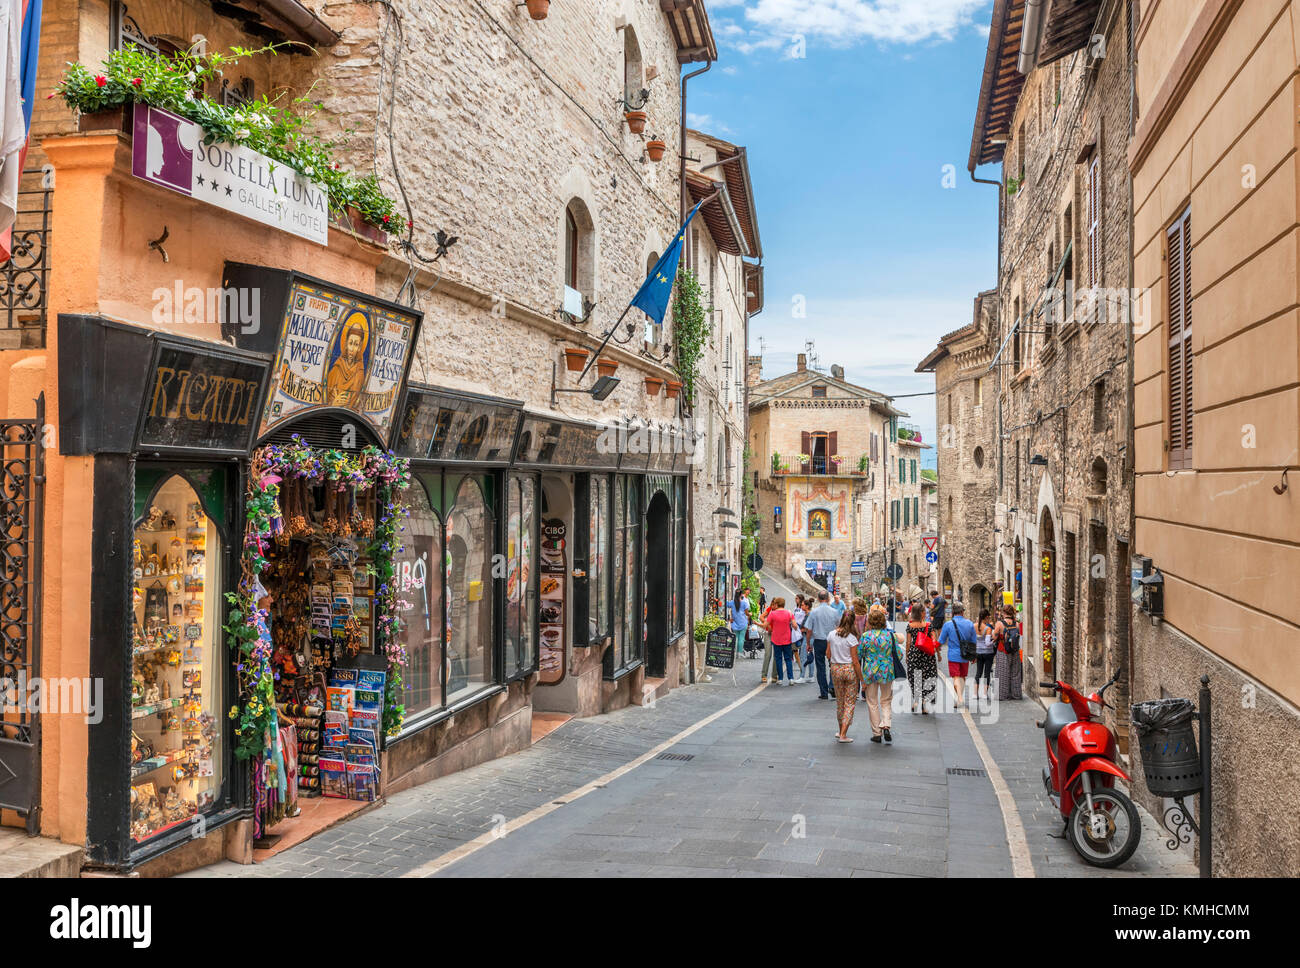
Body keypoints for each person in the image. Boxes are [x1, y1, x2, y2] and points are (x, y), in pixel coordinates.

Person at [858, 604, 899, 743]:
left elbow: (860, 654)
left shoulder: (865, 636)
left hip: (870, 671)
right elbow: (898, 654)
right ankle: (886, 724)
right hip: (887, 671)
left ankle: (876, 733)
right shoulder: (890, 636)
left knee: (872, 701)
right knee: (886, 700)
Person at [827, 609, 863, 742]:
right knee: (849, 703)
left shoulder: (831, 634)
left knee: (840, 702)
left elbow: (828, 654)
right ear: (853, 621)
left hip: (835, 669)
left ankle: (840, 730)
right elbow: (855, 661)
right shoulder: (852, 638)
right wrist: (862, 680)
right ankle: (843, 734)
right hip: (849, 669)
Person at [802, 590, 841, 700]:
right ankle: (832, 686)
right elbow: (839, 626)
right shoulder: (834, 611)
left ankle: (823, 692)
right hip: (832, 641)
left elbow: (809, 630)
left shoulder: (814, 612)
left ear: (818, 599)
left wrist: (809, 643)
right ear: (828, 599)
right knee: (833, 664)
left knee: (820, 666)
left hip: (819, 641)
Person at [938, 601, 976, 708]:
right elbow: (974, 641)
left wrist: (937, 650)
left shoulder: (948, 625)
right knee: (962, 677)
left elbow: (941, 640)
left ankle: (959, 698)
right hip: (966, 655)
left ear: (953, 612)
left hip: (953, 655)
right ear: (963, 612)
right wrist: (974, 656)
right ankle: (960, 697)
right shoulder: (969, 624)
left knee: (956, 677)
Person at [904, 602, 938, 714]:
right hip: (927, 655)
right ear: (922, 613)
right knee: (927, 678)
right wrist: (938, 652)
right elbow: (934, 640)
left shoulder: (910, 626)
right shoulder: (929, 625)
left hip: (915, 654)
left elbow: (908, 642)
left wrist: (907, 655)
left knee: (915, 678)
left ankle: (915, 701)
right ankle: (924, 705)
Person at [759, 597, 798, 686]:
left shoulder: (772, 614)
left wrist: (758, 624)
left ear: (776, 604)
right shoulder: (789, 613)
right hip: (787, 640)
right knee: (788, 659)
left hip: (776, 640)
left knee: (778, 659)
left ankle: (780, 678)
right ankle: (791, 678)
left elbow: (765, 625)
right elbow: (795, 625)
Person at [994, 604, 1023, 700]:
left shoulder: (999, 624)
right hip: (1015, 650)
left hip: (1003, 650)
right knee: (1015, 673)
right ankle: (1016, 694)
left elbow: (994, 637)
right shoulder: (1017, 624)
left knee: (1002, 673)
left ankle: (1002, 695)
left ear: (1004, 612)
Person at [974, 608, 996, 701]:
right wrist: (994, 640)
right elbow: (987, 643)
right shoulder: (988, 629)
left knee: (978, 673)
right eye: (988, 618)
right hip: (987, 653)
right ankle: (984, 694)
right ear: (986, 617)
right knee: (987, 673)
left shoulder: (974, 626)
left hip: (978, 652)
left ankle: (975, 694)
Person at [729, 589, 750, 659]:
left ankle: (735, 653)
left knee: (736, 638)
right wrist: (750, 614)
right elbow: (747, 613)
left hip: (735, 623)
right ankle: (739, 653)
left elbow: (725, 604)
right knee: (741, 638)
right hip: (743, 623)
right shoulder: (744, 603)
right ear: (741, 595)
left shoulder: (732, 602)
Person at [791, 595, 808, 684]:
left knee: (802, 652)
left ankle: (803, 673)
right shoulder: (795, 608)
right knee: (795, 651)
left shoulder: (803, 609)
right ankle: (801, 669)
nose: (796, 600)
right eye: (795, 599)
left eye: (797, 598)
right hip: (795, 630)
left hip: (801, 629)